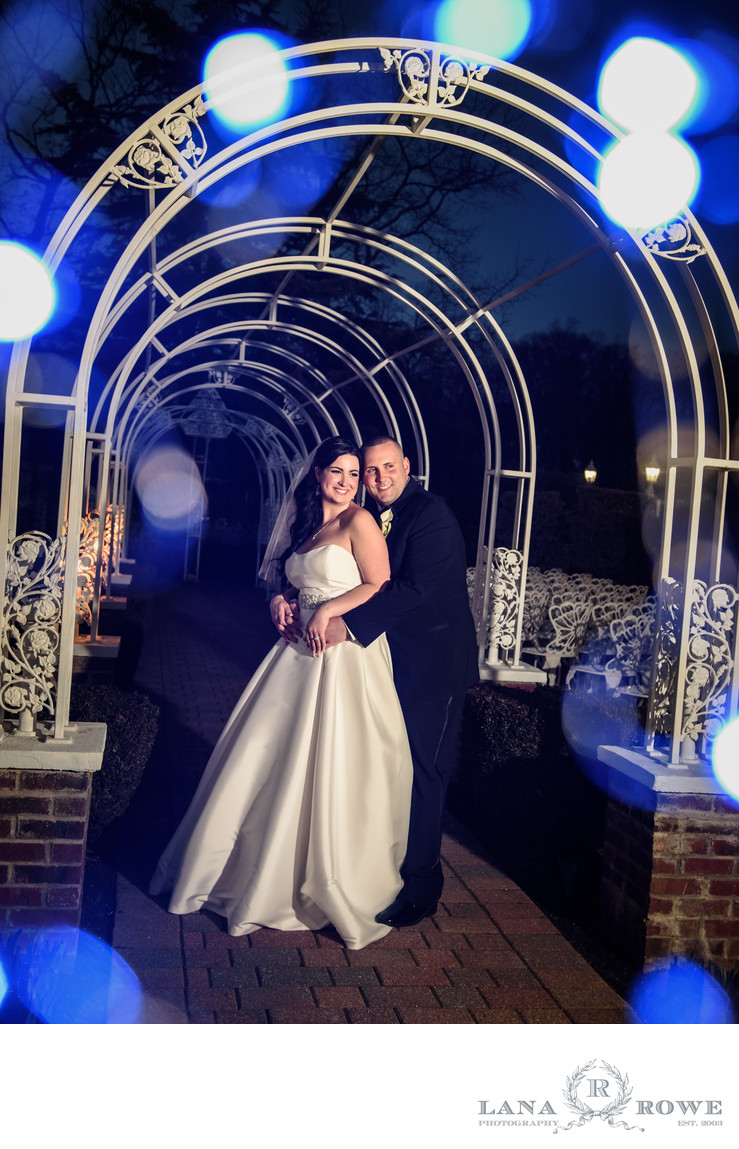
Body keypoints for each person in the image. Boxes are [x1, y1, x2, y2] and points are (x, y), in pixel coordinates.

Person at [150, 436, 413, 950]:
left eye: (354, 474)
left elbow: (378, 585)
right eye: (337, 471)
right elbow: (288, 577)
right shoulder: (306, 523)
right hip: (295, 655)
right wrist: (280, 601)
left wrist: (326, 612)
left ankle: (323, 876)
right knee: (267, 757)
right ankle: (249, 868)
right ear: (317, 474)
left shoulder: (360, 522)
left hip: (340, 656)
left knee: (329, 762)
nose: (346, 481)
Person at [277, 436, 479, 928]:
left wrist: (345, 623)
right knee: (384, 767)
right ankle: (371, 869)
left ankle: (421, 887)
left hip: (433, 665)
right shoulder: (363, 514)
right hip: (387, 661)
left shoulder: (431, 514)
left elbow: (415, 589)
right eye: (370, 471)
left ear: (408, 466)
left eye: (388, 467)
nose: (379, 478)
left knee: (425, 773)